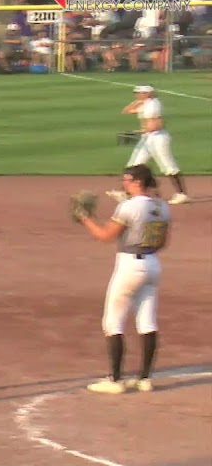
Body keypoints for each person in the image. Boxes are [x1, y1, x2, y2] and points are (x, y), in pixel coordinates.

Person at [78, 165, 171, 394]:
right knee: (147, 321)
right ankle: (145, 378)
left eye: (127, 180)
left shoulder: (128, 207)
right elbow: (162, 242)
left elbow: (105, 236)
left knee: (113, 321)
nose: (124, 183)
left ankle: (115, 380)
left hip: (130, 266)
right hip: (152, 264)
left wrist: (85, 219)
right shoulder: (162, 206)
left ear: (138, 182)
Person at [109, 85, 190, 204]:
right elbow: (126, 110)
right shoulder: (145, 103)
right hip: (148, 137)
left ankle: (181, 194)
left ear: (148, 93)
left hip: (158, 138)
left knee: (168, 165)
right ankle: (126, 193)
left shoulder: (154, 105)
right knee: (134, 165)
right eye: (136, 93)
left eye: (140, 93)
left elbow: (157, 125)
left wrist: (137, 132)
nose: (137, 95)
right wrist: (138, 101)